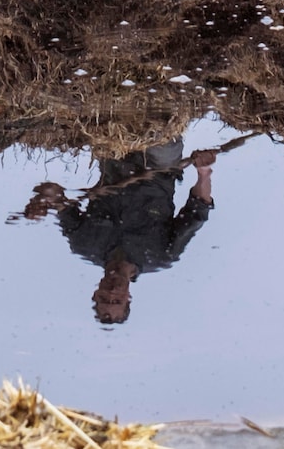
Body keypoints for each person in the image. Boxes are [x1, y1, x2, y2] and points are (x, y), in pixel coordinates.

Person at [48, 138, 218, 325]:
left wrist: (43, 200)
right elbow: (197, 212)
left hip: (112, 161)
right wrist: (204, 172)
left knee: (105, 123)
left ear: (95, 293)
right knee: (163, 136)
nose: (112, 293)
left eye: (104, 299)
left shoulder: (83, 244)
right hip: (160, 168)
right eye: (116, 301)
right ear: (128, 297)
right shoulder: (163, 255)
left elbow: (56, 197)